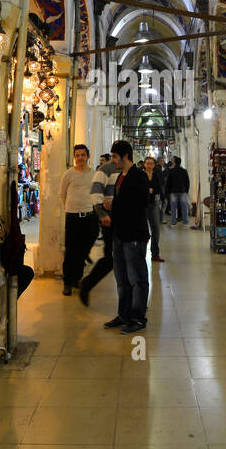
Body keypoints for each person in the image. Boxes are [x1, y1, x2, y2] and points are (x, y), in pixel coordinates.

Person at [103, 139, 150, 333]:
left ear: (125, 157)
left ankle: (138, 318)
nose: (112, 160)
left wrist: (115, 205)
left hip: (134, 235)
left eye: (114, 157)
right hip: (120, 234)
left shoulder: (139, 176)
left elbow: (140, 203)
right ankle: (124, 314)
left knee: (137, 278)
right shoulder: (121, 176)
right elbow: (124, 202)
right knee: (122, 278)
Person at [78, 154, 119, 306]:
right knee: (111, 258)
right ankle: (87, 284)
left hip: (122, 219)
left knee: (118, 259)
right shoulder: (105, 169)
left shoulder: (126, 170)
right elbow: (95, 192)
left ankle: (134, 299)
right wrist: (102, 213)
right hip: (109, 220)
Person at [59, 144, 97, 295]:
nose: (80, 158)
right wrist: (68, 208)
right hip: (72, 217)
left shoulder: (93, 174)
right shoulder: (68, 174)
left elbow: (96, 193)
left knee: (82, 250)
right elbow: (62, 194)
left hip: (88, 216)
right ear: (74, 157)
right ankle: (68, 282)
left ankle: (78, 278)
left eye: (83, 155)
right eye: (77, 155)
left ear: (87, 157)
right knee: (70, 251)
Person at [142, 156, 164, 262]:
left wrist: (152, 190)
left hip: (154, 204)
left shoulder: (156, 175)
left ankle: (155, 254)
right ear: (144, 164)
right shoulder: (140, 175)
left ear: (154, 165)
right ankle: (141, 254)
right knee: (143, 230)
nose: (149, 165)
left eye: (151, 163)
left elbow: (159, 188)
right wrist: (147, 190)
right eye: (147, 163)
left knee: (156, 230)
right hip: (142, 205)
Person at [166, 155, 190, 226]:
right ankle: (185, 221)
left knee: (173, 208)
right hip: (183, 191)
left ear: (175, 162)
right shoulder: (184, 171)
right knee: (184, 207)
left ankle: (174, 222)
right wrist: (186, 190)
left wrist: (168, 192)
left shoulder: (171, 171)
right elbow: (187, 182)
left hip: (173, 191)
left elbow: (168, 182)